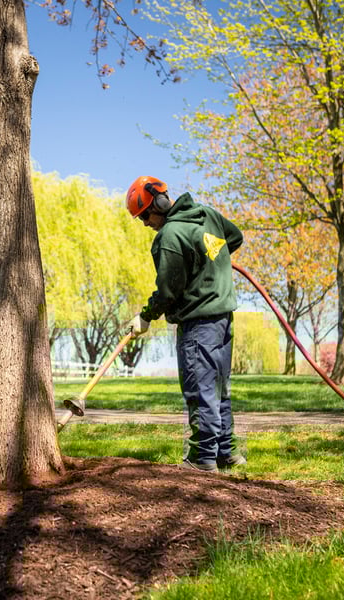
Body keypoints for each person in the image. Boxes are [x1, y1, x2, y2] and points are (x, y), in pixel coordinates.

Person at [125, 176, 245, 472]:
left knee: (200, 388)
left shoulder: (169, 237)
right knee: (219, 387)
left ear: (159, 204)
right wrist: (209, 263)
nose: (144, 223)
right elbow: (235, 238)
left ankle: (202, 458)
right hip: (223, 319)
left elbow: (169, 290)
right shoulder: (207, 215)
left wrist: (146, 315)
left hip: (197, 323)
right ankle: (225, 452)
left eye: (144, 215)